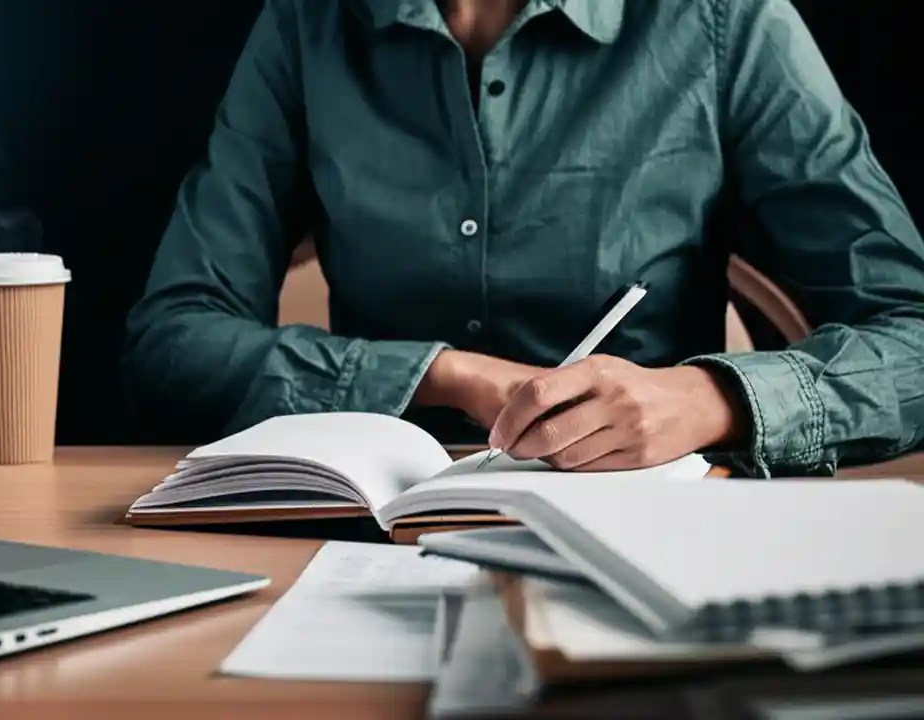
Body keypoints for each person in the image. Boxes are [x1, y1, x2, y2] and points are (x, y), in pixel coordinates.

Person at [123, 0, 924, 477]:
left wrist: (707, 399)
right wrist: (445, 375)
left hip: (648, 519)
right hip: (367, 520)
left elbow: (913, 336)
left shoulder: (722, 19)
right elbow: (173, 340)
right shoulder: (309, 22)